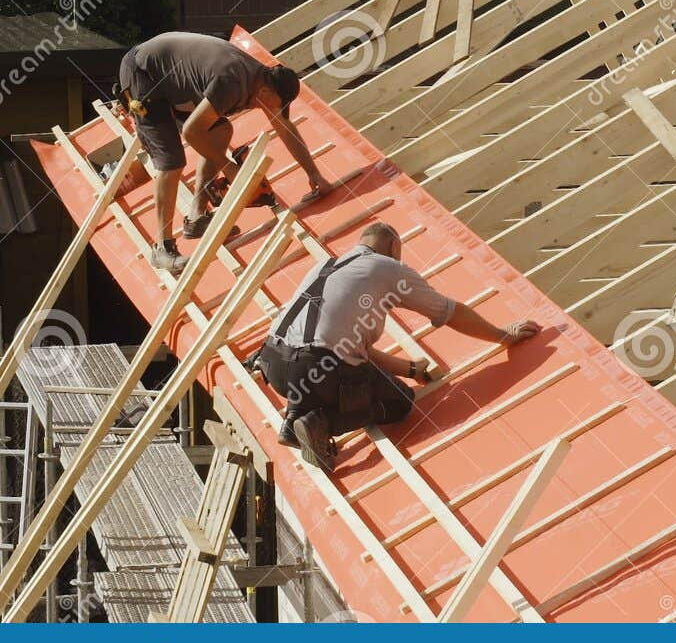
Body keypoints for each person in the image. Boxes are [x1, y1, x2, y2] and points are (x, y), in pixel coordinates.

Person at [255, 222, 543, 471]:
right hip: (316, 369)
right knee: (399, 400)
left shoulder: (324, 265)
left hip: (273, 363)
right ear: (394, 248)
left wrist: (409, 368)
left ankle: (295, 416)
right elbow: (449, 311)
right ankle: (319, 423)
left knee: (326, 362)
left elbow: (351, 349)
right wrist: (502, 335)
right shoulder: (390, 268)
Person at [115, 32, 331, 272]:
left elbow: (286, 129)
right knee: (171, 161)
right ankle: (163, 249)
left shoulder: (263, 81)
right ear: (265, 93)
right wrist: (230, 168)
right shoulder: (231, 81)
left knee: (220, 132)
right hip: (144, 73)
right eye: (273, 107)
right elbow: (191, 132)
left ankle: (197, 215)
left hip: (173, 81)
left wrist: (314, 173)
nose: (272, 113)